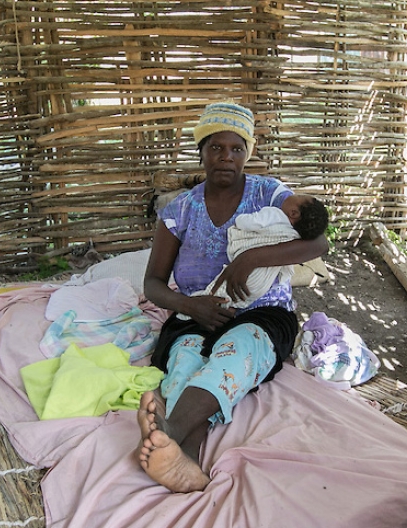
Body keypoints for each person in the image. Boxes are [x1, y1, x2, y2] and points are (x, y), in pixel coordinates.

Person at [138, 101, 329, 493]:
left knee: (236, 353)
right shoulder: (180, 210)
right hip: (196, 312)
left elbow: (319, 243)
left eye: (236, 149)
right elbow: (153, 284)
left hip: (262, 314)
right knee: (185, 360)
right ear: (202, 152)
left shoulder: (268, 193)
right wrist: (190, 306)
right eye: (216, 147)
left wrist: (250, 259)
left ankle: (169, 432)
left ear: (247, 153)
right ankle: (186, 461)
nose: (226, 156)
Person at [184, 193, 329, 312]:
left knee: (222, 286)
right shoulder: (296, 235)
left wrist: (240, 220)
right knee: (238, 294)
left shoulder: (275, 214)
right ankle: (230, 307)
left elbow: (252, 223)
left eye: (298, 196)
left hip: (244, 265)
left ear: (294, 213)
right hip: (261, 284)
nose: (293, 194)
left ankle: (201, 304)